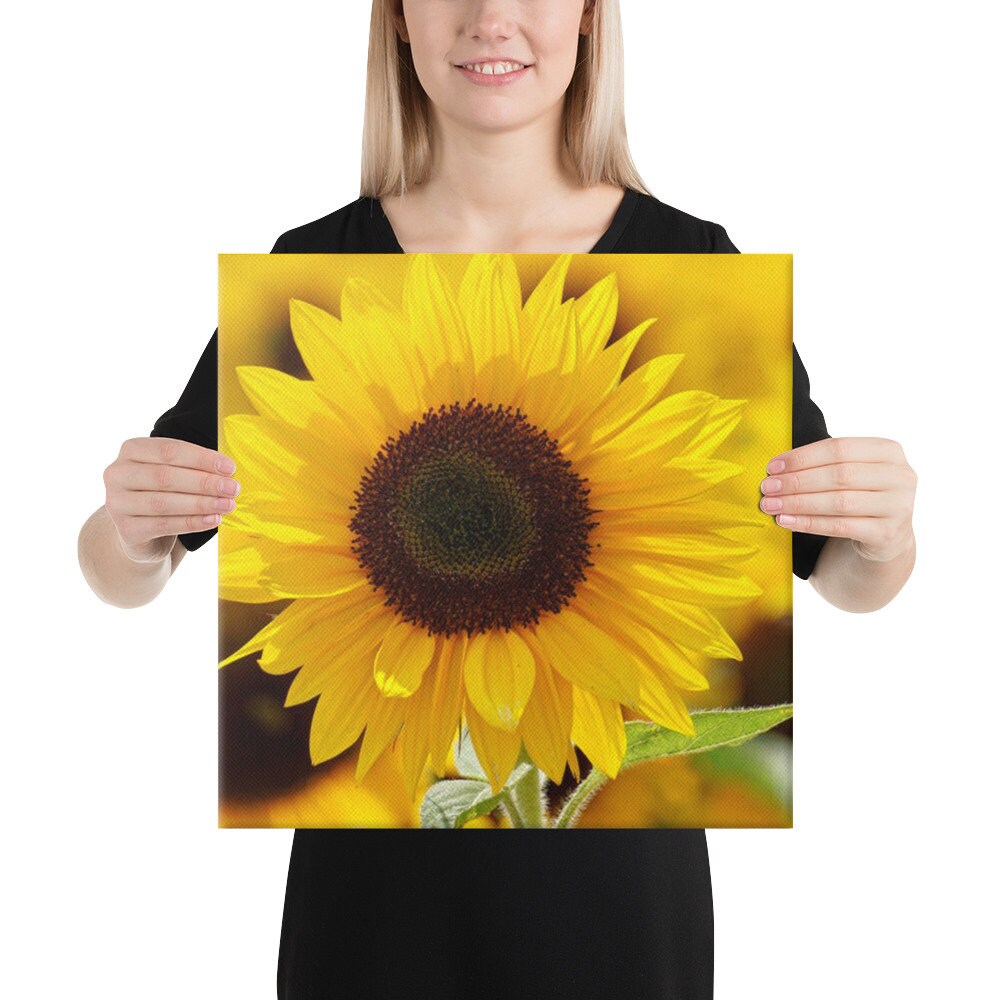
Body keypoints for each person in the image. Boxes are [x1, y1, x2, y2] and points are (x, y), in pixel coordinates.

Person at [77, 1, 918, 996]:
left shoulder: (694, 256)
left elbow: (839, 572)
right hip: (372, 923)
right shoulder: (316, 264)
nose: (491, 18)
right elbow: (124, 566)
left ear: (590, 17)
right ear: (398, 20)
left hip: (617, 921)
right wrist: (131, 532)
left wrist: (883, 534)